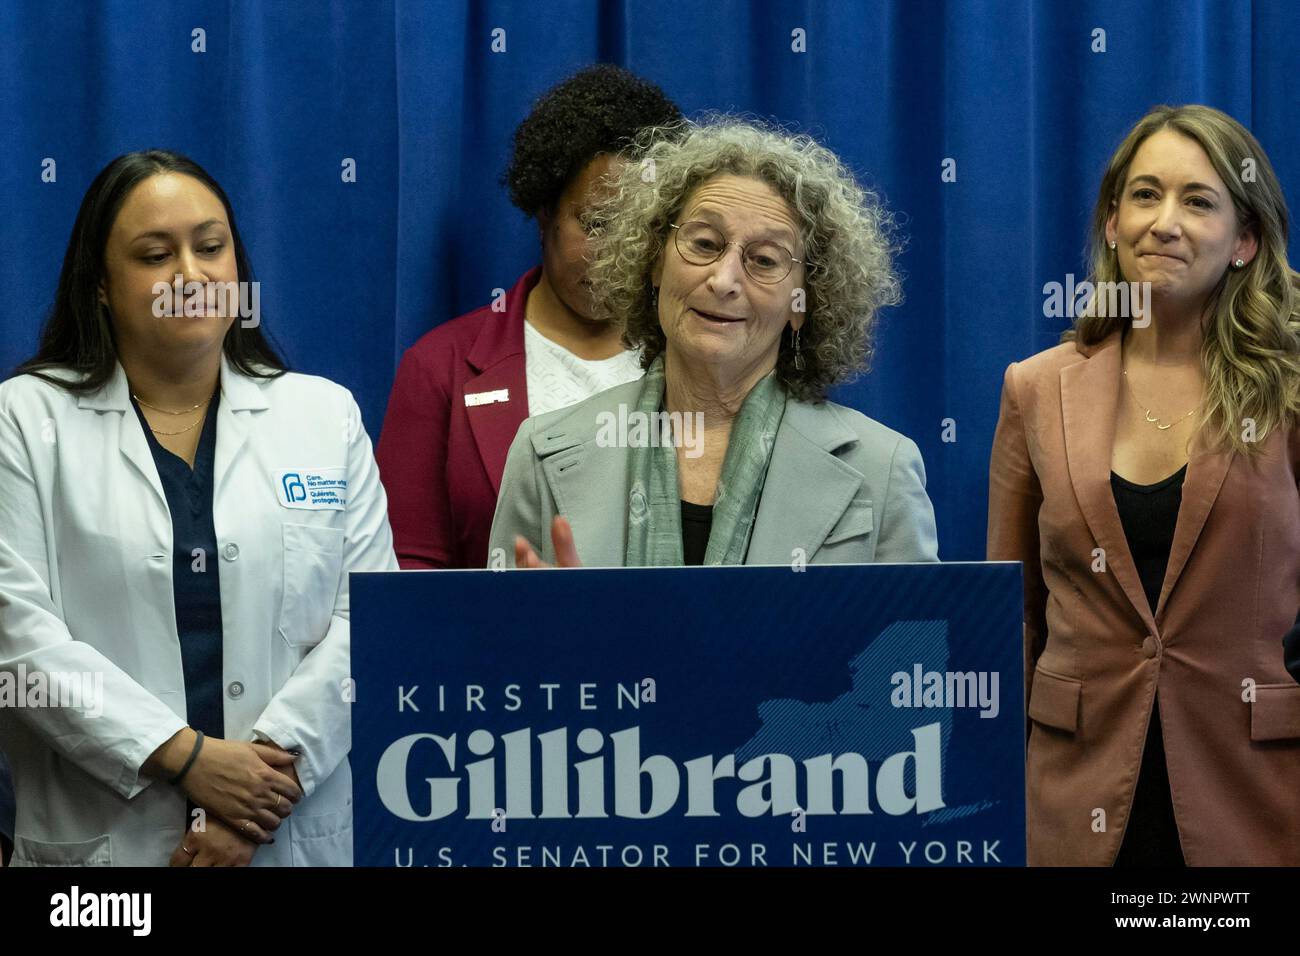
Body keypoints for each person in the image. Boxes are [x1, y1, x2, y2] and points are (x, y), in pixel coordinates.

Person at [0, 150, 397, 866]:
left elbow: (369, 623)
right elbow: (20, 639)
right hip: (106, 849)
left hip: (284, 832)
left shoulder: (321, 415)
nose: (192, 274)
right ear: (99, 287)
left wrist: (254, 795)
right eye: (156, 255)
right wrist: (186, 760)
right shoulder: (26, 420)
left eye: (210, 248)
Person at [988, 105, 1300, 866]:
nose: (1166, 222)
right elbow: (1009, 616)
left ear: (1245, 240)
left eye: (1199, 201)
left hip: (1258, 796)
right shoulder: (1036, 388)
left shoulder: (1290, 390)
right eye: (1145, 195)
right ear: (1111, 222)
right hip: (1074, 796)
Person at [489, 117, 938, 569]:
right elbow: (491, 637)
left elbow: (914, 641)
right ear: (654, 263)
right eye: (704, 243)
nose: (724, 281)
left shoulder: (883, 470)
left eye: (764, 260)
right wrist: (560, 633)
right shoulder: (542, 451)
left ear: (802, 303)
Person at [376, 64, 681, 569]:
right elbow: (407, 578)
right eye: (598, 223)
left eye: (640, 226)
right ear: (545, 213)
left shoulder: (697, 355)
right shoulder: (440, 369)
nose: (620, 251)